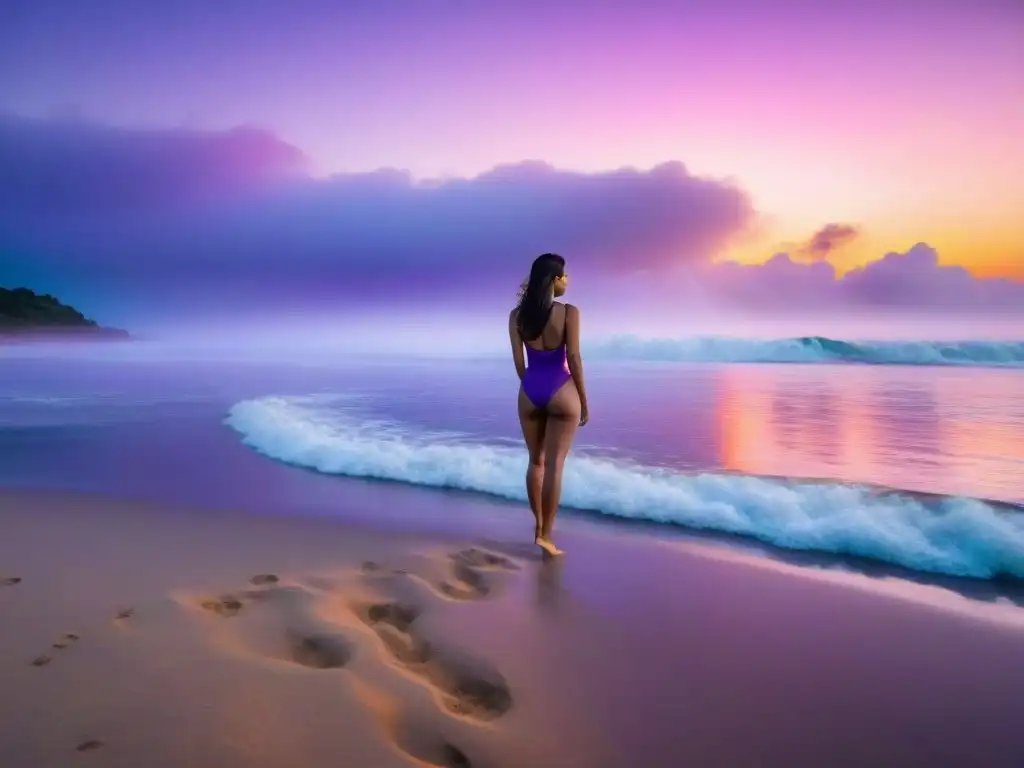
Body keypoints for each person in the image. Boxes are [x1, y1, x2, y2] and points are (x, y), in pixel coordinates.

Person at [508, 253, 589, 557]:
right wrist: (583, 399)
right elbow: (575, 359)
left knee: (535, 462)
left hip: (530, 389)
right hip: (562, 389)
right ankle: (546, 536)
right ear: (554, 280)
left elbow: (519, 363)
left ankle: (537, 525)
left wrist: (530, 386)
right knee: (555, 465)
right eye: (564, 275)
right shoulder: (569, 313)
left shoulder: (516, 317)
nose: (567, 280)